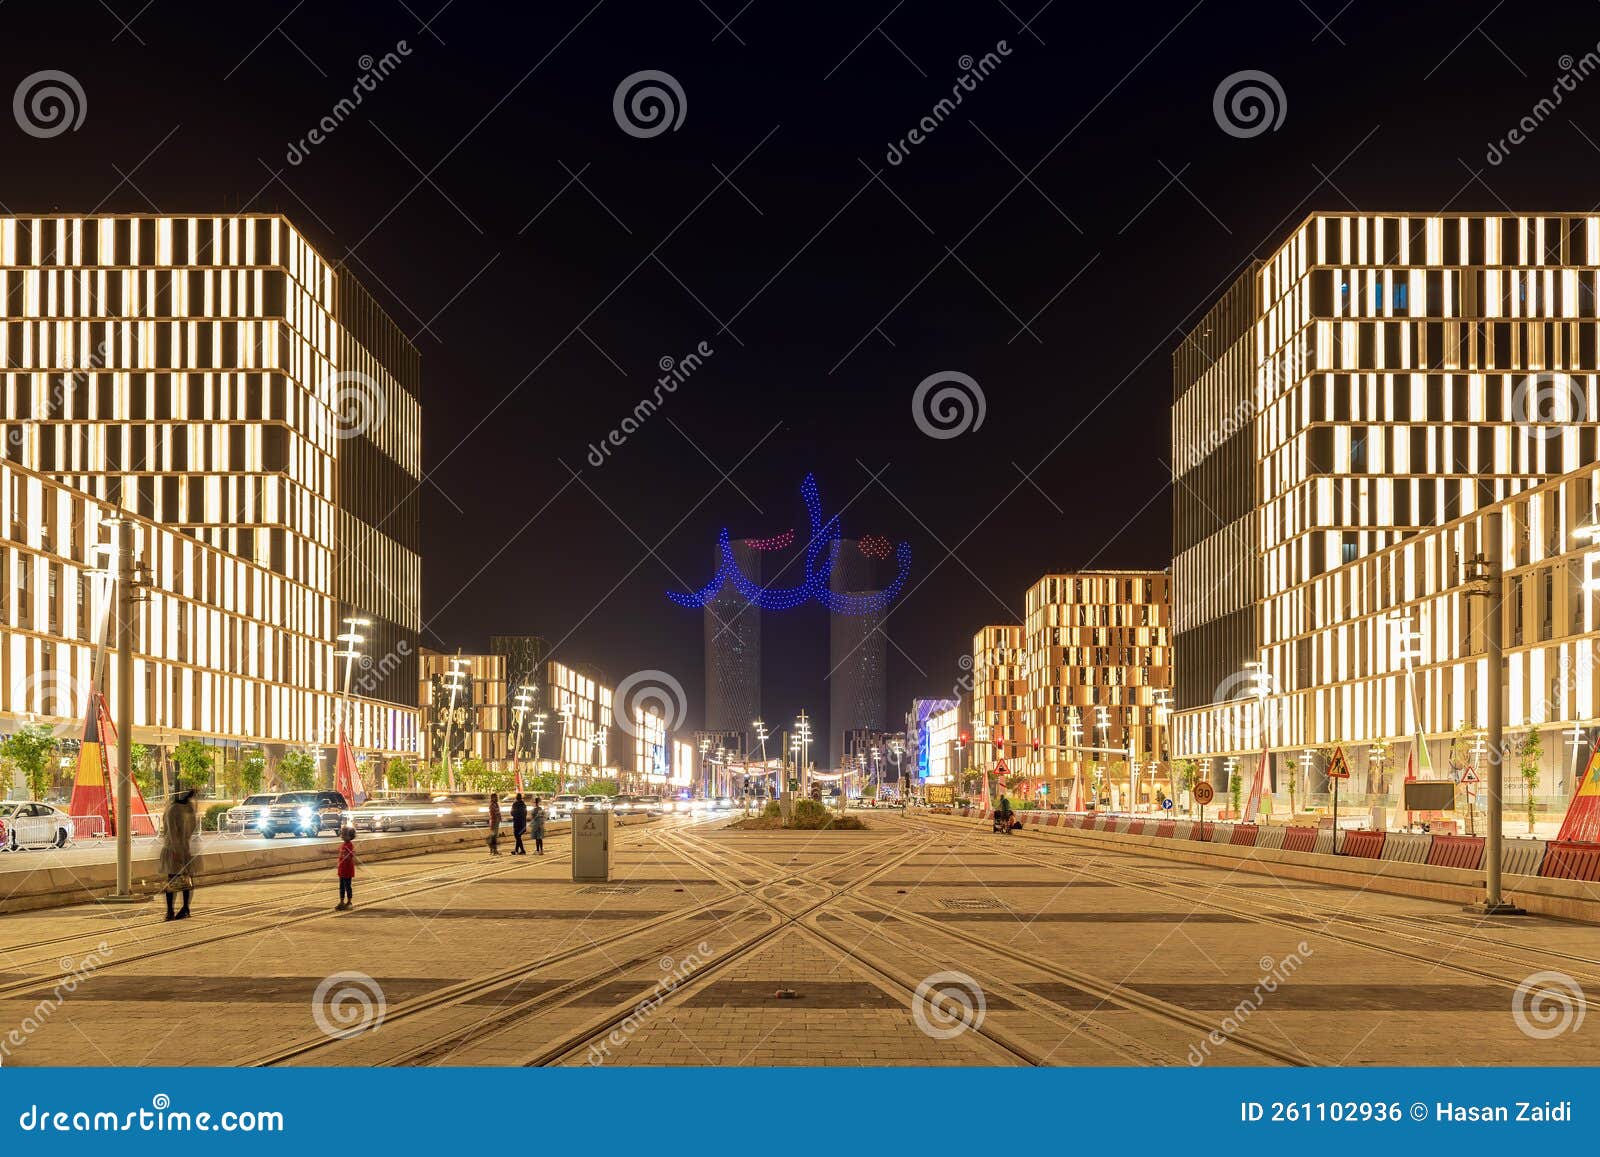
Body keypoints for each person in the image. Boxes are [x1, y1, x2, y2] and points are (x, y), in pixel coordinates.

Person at [160, 789, 198, 920]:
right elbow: (192, 828)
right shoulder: (189, 809)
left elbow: (170, 831)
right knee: (186, 879)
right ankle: (185, 908)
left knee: (172, 880)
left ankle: (170, 911)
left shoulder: (172, 809)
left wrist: (175, 849)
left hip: (172, 849)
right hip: (185, 848)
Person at [336, 826, 356, 910]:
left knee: (348, 886)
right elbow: (338, 852)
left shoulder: (350, 845)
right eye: (342, 834)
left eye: (344, 834)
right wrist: (326, 852)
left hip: (347, 870)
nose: (342, 836)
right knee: (341, 887)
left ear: (349, 836)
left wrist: (347, 856)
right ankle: (341, 901)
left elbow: (351, 856)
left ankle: (349, 902)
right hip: (342, 869)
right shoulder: (343, 845)